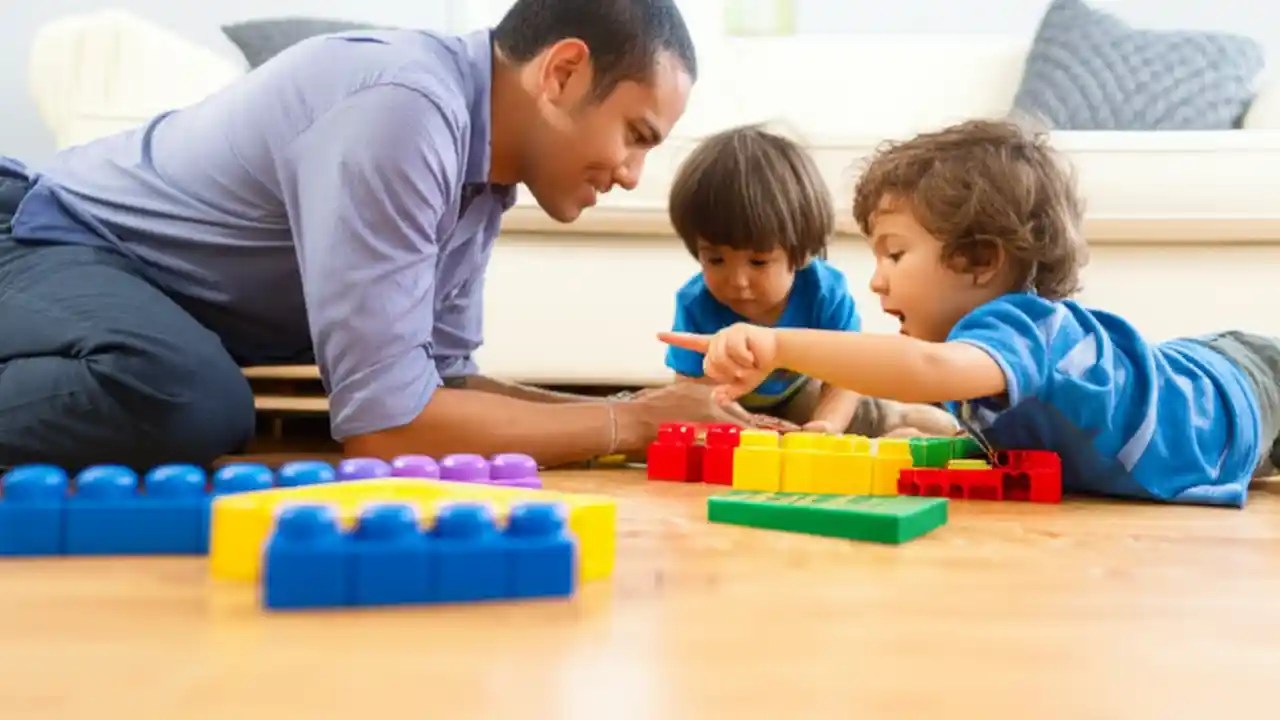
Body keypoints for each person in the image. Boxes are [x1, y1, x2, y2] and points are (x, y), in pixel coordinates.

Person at [0, 0, 751, 473]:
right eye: (635, 135)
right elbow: (387, 430)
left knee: (190, 384)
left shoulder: (484, 175)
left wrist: (640, 408)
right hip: (46, 234)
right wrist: (625, 424)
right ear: (561, 73)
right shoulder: (404, 109)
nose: (630, 173)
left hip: (131, 289)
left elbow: (439, 385)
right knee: (189, 398)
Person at [659, 118, 1280, 507]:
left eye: (895, 254)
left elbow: (923, 368)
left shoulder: (1015, 328)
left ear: (981, 259)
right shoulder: (984, 361)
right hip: (1209, 385)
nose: (875, 282)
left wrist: (778, 345)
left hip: (1241, 388)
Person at [662, 124, 958, 437]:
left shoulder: (823, 291)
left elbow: (847, 375)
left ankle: (897, 416)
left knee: (861, 416)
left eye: (759, 261)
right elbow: (691, 393)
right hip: (731, 401)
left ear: (801, 253)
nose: (737, 281)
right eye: (715, 259)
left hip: (801, 393)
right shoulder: (695, 302)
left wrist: (826, 426)